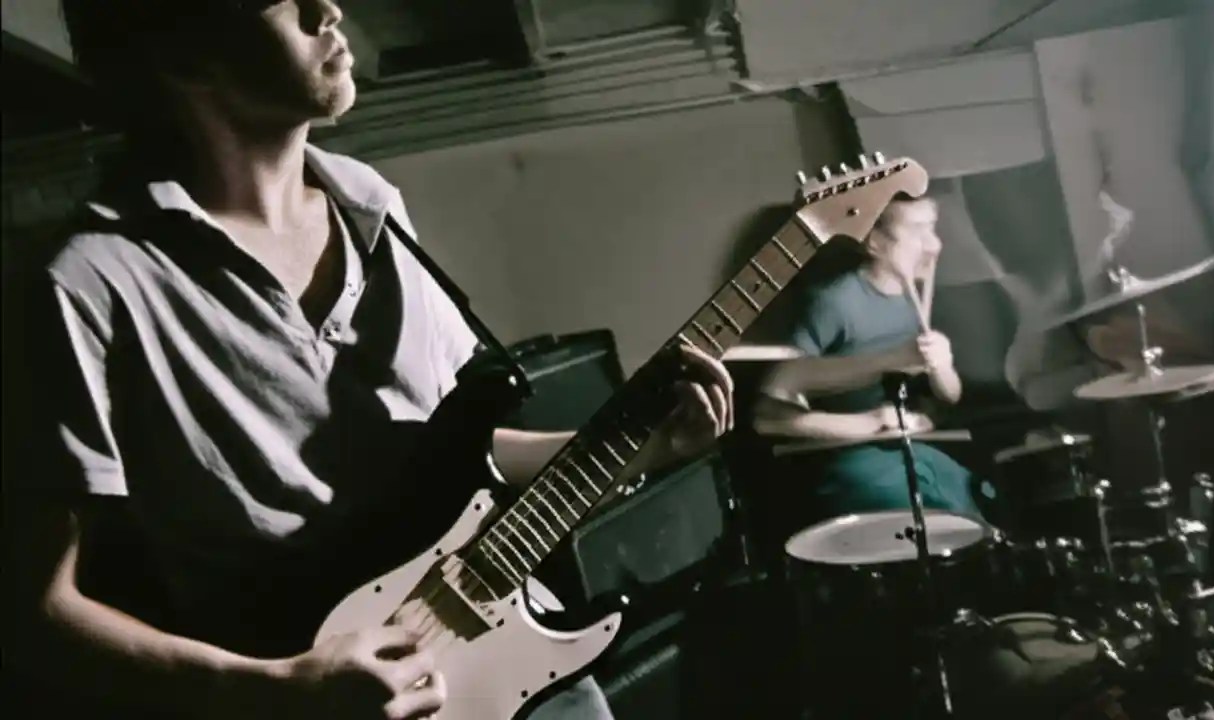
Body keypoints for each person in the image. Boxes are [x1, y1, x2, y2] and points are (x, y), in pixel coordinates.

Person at [2, 2, 733, 719]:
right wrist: (273, 687)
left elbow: (453, 455)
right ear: (182, 52)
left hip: (522, 669)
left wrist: (650, 446)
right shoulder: (89, 285)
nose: (329, 9)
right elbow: (36, 614)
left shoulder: (372, 204)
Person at [753, 195, 986, 525]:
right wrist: (870, 421)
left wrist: (942, 365)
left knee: (979, 503)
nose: (933, 245)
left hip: (908, 450)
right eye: (918, 231)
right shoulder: (834, 302)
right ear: (875, 242)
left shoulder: (916, 297)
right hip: (846, 463)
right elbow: (769, 416)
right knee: (930, 522)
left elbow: (949, 395)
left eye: (932, 228)